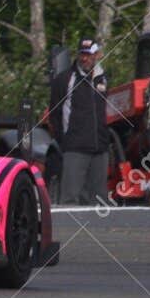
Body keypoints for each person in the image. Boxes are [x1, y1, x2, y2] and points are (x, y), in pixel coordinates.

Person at [48, 37, 110, 204]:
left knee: (99, 200)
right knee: (70, 198)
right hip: (75, 148)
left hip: (100, 148)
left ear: (97, 55)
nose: (84, 58)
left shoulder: (103, 78)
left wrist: (105, 139)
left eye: (89, 55)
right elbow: (54, 113)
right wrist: (65, 140)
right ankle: (69, 230)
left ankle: (101, 231)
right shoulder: (64, 79)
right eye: (82, 54)